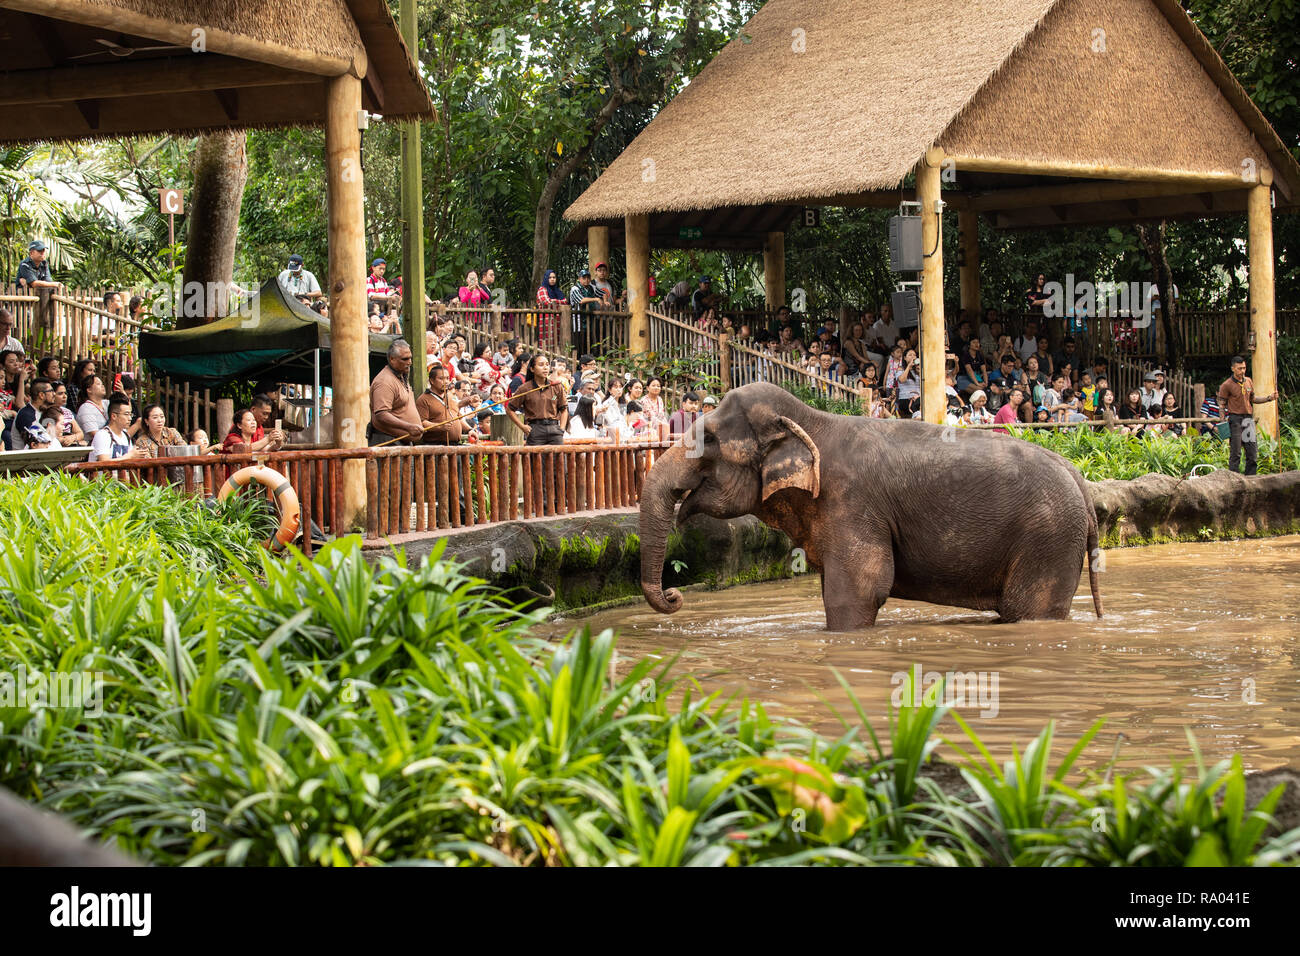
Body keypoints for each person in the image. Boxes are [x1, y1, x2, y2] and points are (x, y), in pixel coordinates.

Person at [1218, 355, 1277, 476]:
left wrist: (1269, 398)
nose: (1242, 371)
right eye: (1239, 368)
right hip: (1235, 420)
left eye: (1244, 368)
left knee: (1252, 452)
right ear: (1233, 368)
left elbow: (1253, 399)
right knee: (1236, 453)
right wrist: (1223, 422)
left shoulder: (1248, 381)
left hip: (1248, 419)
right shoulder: (1226, 385)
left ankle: (1251, 479)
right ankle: (1234, 480)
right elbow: (1222, 405)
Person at [369, 339, 424, 445]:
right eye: (405, 359)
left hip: (402, 441)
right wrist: (408, 426)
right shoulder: (384, 381)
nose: (410, 362)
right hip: (388, 441)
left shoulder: (401, 376)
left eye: (410, 358)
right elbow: (381, 414)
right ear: (392, 359)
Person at [505, 354, 568, 446]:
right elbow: (510, 409)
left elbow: (564, 409)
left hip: (554, 429)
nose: (545, 368)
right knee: (536, 459)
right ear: (532, 369)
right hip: (535, 430)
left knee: (559, 459)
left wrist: (561, 429)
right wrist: (522, 427)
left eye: (547, 364)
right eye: (541, 365)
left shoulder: (556, 386)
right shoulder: (524, 388)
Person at [416, 364, 469, 446]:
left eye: (447, 378)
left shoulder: (450, 396)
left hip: (455, 445)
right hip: (436, 446)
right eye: (441, 378)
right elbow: (422, 423)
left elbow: (459, 418)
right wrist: (440, 427)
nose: (446, 381)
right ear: (432, 381)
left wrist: (469, 430)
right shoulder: (423, 399)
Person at [9, 377, 59, 450]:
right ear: (41, 395)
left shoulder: (46, 412)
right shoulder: (25, 415)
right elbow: (38, 442)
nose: (54, 394)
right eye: (51, 391)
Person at [89, 397, 139, 463]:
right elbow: (104, 462)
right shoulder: (102, 435)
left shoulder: (125, 435)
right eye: (126, 414)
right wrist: (129, 456)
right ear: (114, 416)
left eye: (130, 415)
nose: (130, 418)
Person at [568, 269, 602, 356]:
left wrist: (604, 300)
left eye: (588, 278)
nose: (586, 280)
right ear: (579, 279)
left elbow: (603, 293)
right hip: (578, 321)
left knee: (589, 342)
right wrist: (595, 299)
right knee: (578, 343)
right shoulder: (575, 288)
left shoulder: (591, 288)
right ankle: (578, 362)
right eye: (584, 278)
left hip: (589, 320)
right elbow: (581, 300)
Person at [40, 381, 84, 447]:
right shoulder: (47, 412)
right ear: (53, 395)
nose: (64, 396)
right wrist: (62, 440)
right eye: (60, 393)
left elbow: (80, 433)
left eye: (65, 393)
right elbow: (48, 435)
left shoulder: (67, 412)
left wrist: (72, 438)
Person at [536, 268, 565, 349]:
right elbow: (547, 302)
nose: (552, 279)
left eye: (554, 277)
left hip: (558, 320)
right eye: (550, 277)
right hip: (547, 320)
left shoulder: (557, 291)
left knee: (558, 341)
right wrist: (557, 301)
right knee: (547, 341)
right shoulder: (542, 289)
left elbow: (565, 302)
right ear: (546, 278)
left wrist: (554, 301)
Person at [75, 374, 108, 441]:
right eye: (98, 384)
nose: (102, 386)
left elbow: (125, 410)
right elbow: (95, 435)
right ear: (89, 390)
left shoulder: (107, 403)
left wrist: (121, 393)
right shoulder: (86, 408)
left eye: (102, 384)